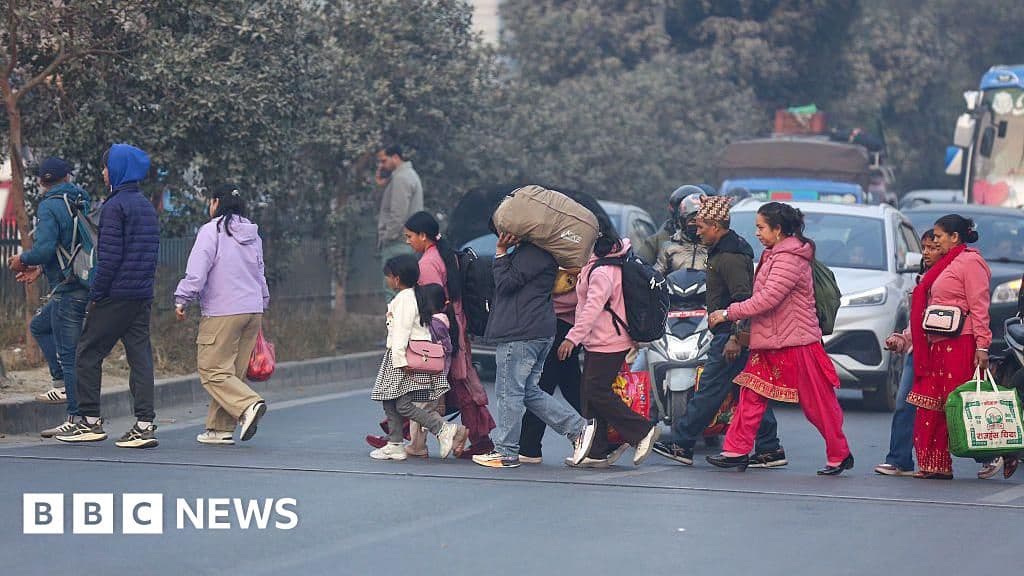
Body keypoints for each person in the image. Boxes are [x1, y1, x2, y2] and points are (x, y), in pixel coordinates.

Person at [707, 202, 853, 475]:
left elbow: (768, 299)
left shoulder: (790, 258)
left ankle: (839, 453)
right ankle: (736, 450)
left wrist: (728, 313)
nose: (758, 233)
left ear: (778, 229)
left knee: (817, 403)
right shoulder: (774, 254)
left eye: (761, 227)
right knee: (750, 394)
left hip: (797, 343)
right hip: (771, 342)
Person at [653, 196, 785, 468]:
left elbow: (743, 300)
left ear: (715, 226)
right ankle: (770, 449)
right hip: (728, 333)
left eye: (701, 226)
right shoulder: (722, 250)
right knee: (748, 391)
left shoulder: (731, 256)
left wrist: (736, 337)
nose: (697, 231)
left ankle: (682, 442)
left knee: (710, 389)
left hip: (730, 336)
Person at [56, 144, 160, 449]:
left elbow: (110, 258)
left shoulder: (115, 207)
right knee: (140, 357)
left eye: (105, 167)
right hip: (141, 294)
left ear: (116, 169)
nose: (103, 173)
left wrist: (96, 293)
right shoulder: (145, 205)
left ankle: (89, 421)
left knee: (87, 352)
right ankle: (144, 424)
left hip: (116, 294)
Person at [472, 224, 597, 469]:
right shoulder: (538, 253)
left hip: (521, 332)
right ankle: (578, 429)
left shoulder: (532, 254)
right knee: (529, 391)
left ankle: (506, 452)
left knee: (509, 393)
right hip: (536, 330)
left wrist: (500, 252)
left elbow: (506, 283)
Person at [902, 215, 1015, 480]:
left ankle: (1002, 452)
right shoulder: (941, 264)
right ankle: (935, 465)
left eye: (939, 236)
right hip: (935, 346)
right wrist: (907, 337)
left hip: (960, 344)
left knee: (962, 406)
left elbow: (979, 307)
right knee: (930, 405)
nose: (935, 239)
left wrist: (982, 347)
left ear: (955, 237)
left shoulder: (970, 262)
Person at [173, 185, 271, 446]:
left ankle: (249, 403)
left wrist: (183, 297)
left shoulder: (212, 230)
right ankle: (219, 429)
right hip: (252, 310)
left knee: (212, 370)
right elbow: (260, 272)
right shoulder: (253, 233)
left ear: (215, 203)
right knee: (232, 373)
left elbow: (197, 270)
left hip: (223, 311)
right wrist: (262, 301)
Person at [557, 227, 660, 468]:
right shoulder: (604, 264)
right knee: (589, 395)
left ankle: (642, 431)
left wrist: (572, 338)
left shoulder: (603, 271)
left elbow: (592, 308)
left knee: (597, 391)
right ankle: (597, 451)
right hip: (601, 339)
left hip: (609, 341)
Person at [6, 157, 91, 438]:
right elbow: (71, 243)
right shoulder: (81, 199)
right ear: (67, 176)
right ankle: (61, 383)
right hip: (81, 278)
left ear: (42, 181)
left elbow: (44, 248)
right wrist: (41, 269)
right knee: (40, 326)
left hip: (68, 287)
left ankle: (76, 417)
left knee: (69, 353)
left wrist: (22, 259)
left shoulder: (49, 206)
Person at [400, 211, 493, 457]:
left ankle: (476, 438)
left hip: (441, 334)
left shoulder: (427, 264)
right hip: (455, 328)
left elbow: (430, 305)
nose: (408, 241)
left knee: (448, 388)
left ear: (423, 236)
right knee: (457, 385)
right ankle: (407, 436)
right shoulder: (445, 254)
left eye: (410, 236)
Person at [369, 256, 467, 461]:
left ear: (396, 279)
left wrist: (399, 361)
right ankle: (395, 444)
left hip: (405, 356)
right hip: (402, 355)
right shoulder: (412, 296)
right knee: (389, 400)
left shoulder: (405, 299)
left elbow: (402, 332)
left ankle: (444, 429)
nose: (386, 280)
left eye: (387, 277)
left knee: (402, 404)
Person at [876, 230, 939, 476]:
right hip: (918, 350)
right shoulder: (921, 279)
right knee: (905, 404)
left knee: (955, 406)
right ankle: (899, 459)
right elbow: (916, 324)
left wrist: (981, 347)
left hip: (948, 349)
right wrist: (901, 340)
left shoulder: (954, 275)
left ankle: (987, 454)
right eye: (924, 247)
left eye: (933, 247)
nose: (927, 252)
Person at [376, 144, 423, 300]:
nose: (381, 165)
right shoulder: (408, 175)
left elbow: (398, 215)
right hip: (406, 242)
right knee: (406, 293)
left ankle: (395, 325)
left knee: (394, 293)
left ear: (395, 157)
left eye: (383, 161)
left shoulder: (401, 178)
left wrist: (388, 237)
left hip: (397, 243)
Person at [636, 184, 713, 265]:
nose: (696, 223)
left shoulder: (714, 242)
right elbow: (639, 268)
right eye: (692, 219)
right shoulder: (658, 242)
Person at [655, 191, 709, 274]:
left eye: (702, 220)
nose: (697, 224)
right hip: (675, 287)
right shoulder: (669, 248)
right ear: (683, 222)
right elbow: (656, 275)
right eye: (693, 221)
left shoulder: (716, 249)